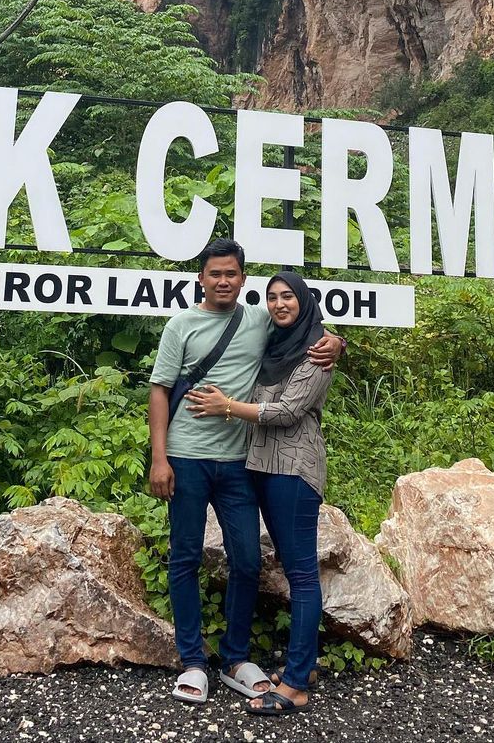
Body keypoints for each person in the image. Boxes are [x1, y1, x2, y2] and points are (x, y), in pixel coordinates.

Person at [148, 240, 344, 706]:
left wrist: (338, 341)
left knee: (249, 562)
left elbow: (306, 326)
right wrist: (159, 458)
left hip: (241, 463)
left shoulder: (257, 318)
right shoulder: (182, 325)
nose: (222, 281)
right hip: (187, 458)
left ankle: (236, 656)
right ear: (201, 278)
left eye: (231, 274)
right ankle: (193, 661)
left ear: (242, 279)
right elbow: (159, 390)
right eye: (214, 274)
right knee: (185, 558)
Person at [185, 270, 333, 716]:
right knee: (291, 568)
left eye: (289, 296)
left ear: (304, 302)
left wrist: (226, 407)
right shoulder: (273, 345)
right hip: (260, 469)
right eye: (272, 297)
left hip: (293, 472)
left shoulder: (316, 353)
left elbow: (287, 412)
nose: (279, 304)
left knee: (303, 574)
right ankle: (302, 665)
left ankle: (294, 687)